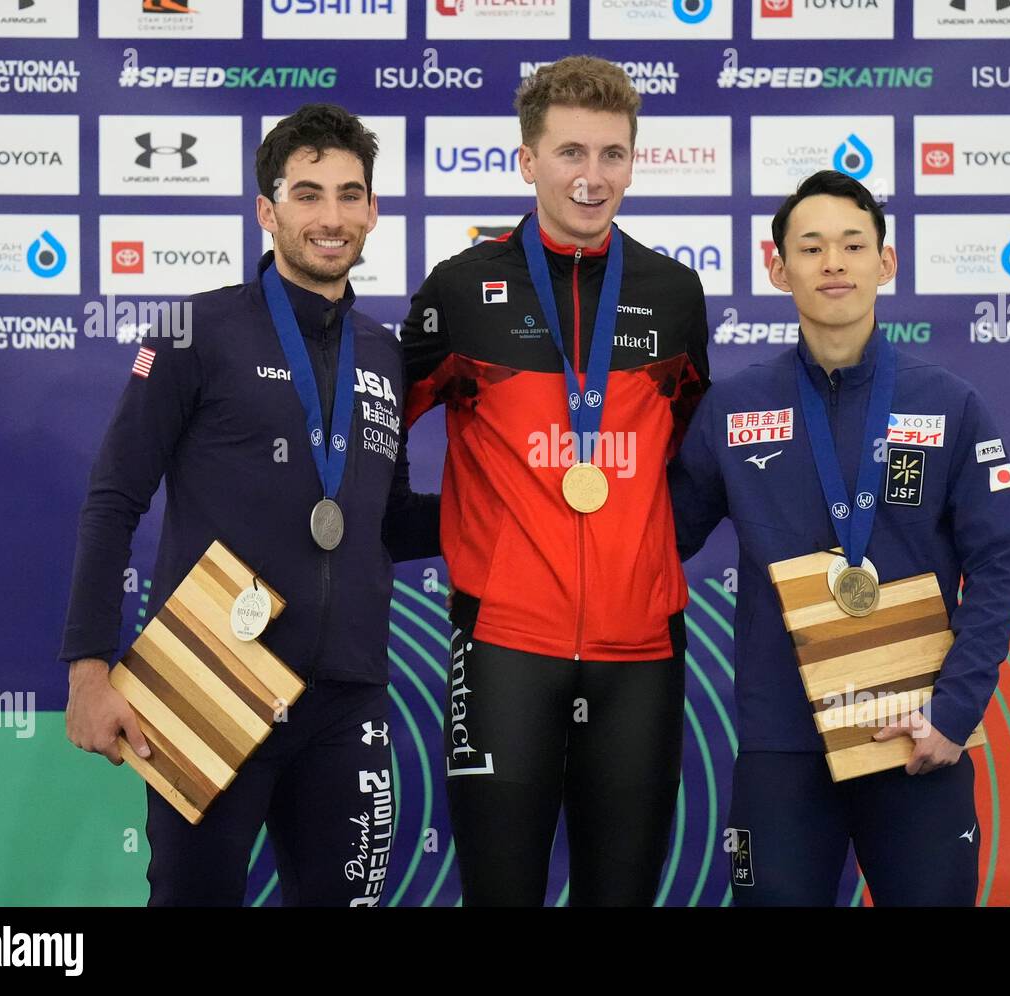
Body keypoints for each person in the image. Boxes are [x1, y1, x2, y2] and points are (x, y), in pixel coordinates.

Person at [59, 103, 438, 907]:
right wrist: (90, 668)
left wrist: (511, 504)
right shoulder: (195, 329)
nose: (330, 218)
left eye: (349, 194)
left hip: (347, 695)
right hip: (210, 675)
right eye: (307, 194)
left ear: (373, 210)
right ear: (267, 210)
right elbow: (114, 499)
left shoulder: (384, 352)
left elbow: (388, 522)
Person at [401, 56, 711, 906]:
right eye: (571, 152)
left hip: (641, 652)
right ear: (527, 160)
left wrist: (646, 551)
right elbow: (377, 417)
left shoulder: (674, 293)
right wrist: (435, 525)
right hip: (504, 648)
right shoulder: (463, 291)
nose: (592, 177)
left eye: (613, 154)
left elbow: (690, 453)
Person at [670, 170, 1010, 906]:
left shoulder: (952, 406)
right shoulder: (734, 409)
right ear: (779, 268)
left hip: (914, 732)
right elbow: (658, 540)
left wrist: (954, 713)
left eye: (853, 244)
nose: (833, 262)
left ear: (885, 263)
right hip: (782, 743)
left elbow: (998, 568)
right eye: (811, 247)